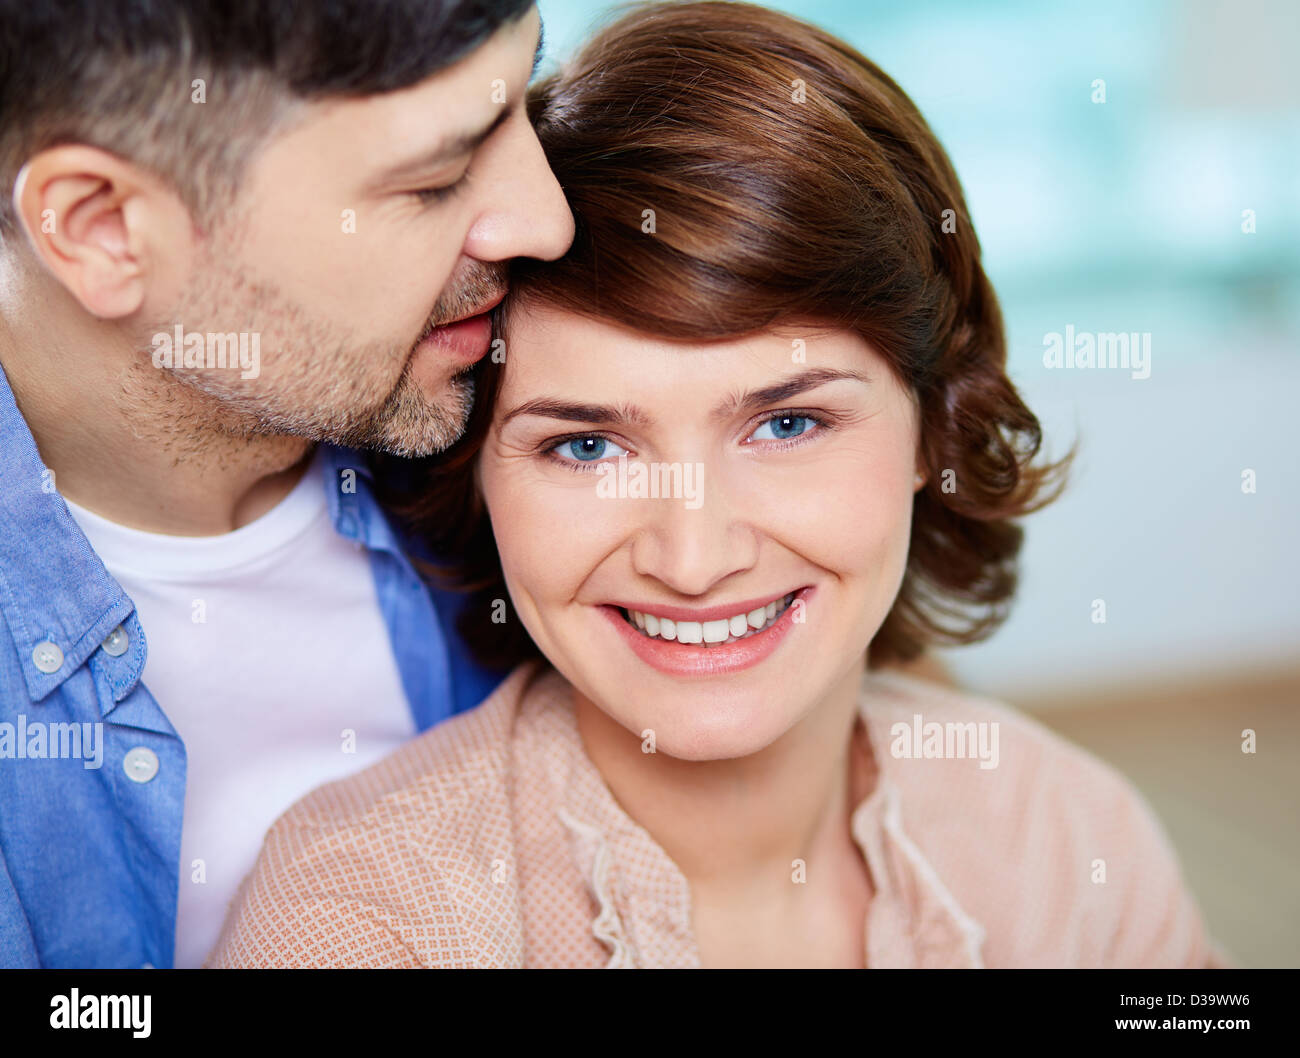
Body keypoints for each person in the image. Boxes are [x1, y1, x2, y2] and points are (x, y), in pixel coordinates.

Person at [210, 0, 1231, 968]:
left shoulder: (1071, 837)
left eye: (787, 423)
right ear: (476, 473)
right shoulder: (354, 917)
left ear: (934, 426)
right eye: (586, 447)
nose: (692, 559)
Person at [0, 0, 573, 968]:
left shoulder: (550, 399)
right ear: (103, 229)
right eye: (436, 179)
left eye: (525, 103)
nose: (548, 222)